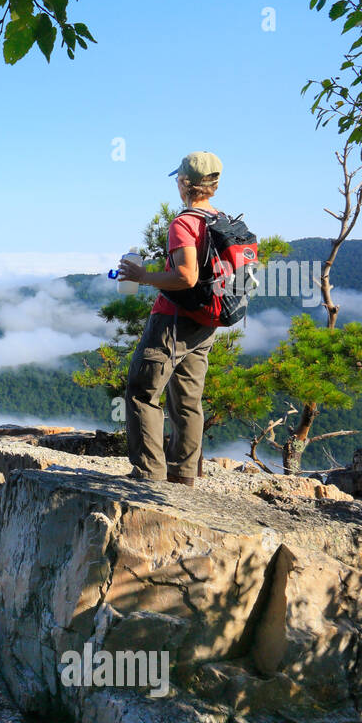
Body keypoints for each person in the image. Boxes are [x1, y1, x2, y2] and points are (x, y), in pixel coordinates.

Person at [116, 151, 224, 487]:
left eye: (178, 179)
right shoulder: (222, 221)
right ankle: (183, 475)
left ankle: (149, 475)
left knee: (141, 390)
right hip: (206, 320)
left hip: (173, 320)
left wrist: (143, 276)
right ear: (214, 185)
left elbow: (185, 276)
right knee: (187, 398)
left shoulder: (184, 223)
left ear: (184, 184)